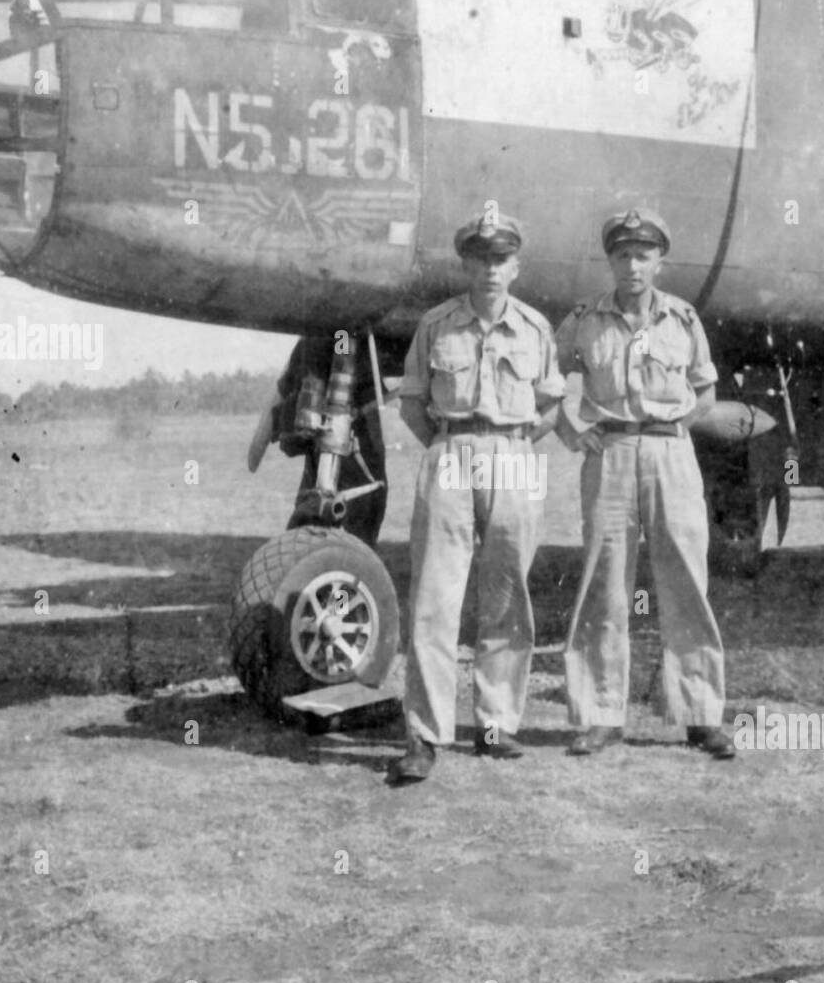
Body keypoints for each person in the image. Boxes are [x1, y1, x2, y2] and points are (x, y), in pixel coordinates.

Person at [388, 211, 565, 784]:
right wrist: (451, 447)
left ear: (516, 266)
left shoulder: (536, 329)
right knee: (435, 598)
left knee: (507, 595)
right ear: (465, 263)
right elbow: (414, 403)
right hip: (450, 452)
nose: (490, 269)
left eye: (501, 258)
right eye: (480, 258)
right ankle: (425, 735)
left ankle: (495, 724)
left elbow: (551, 405)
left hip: (514, 455)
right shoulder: (437, 325)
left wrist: (509, 447)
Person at [554, 208, 733, 759]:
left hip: (670, 453)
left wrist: (674, 424)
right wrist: (570, 429)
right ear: (610, 259)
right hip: (609, 451)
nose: (632, 265)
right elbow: (546, 379)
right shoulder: (585, 318)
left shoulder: (682, 319)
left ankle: (701, 714)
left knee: (685, 578)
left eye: (643, 254)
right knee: (604, 582)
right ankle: (601, 714)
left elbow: (704, 388)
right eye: (623, 254)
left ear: (659, 260)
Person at [246, 334, 388, 547]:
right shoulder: (332, 340)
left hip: (334, 450)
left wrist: (257, 447)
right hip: (351, 452)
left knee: (316, 518)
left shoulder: (313, 340)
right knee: (355, 523)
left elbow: (282, 389)